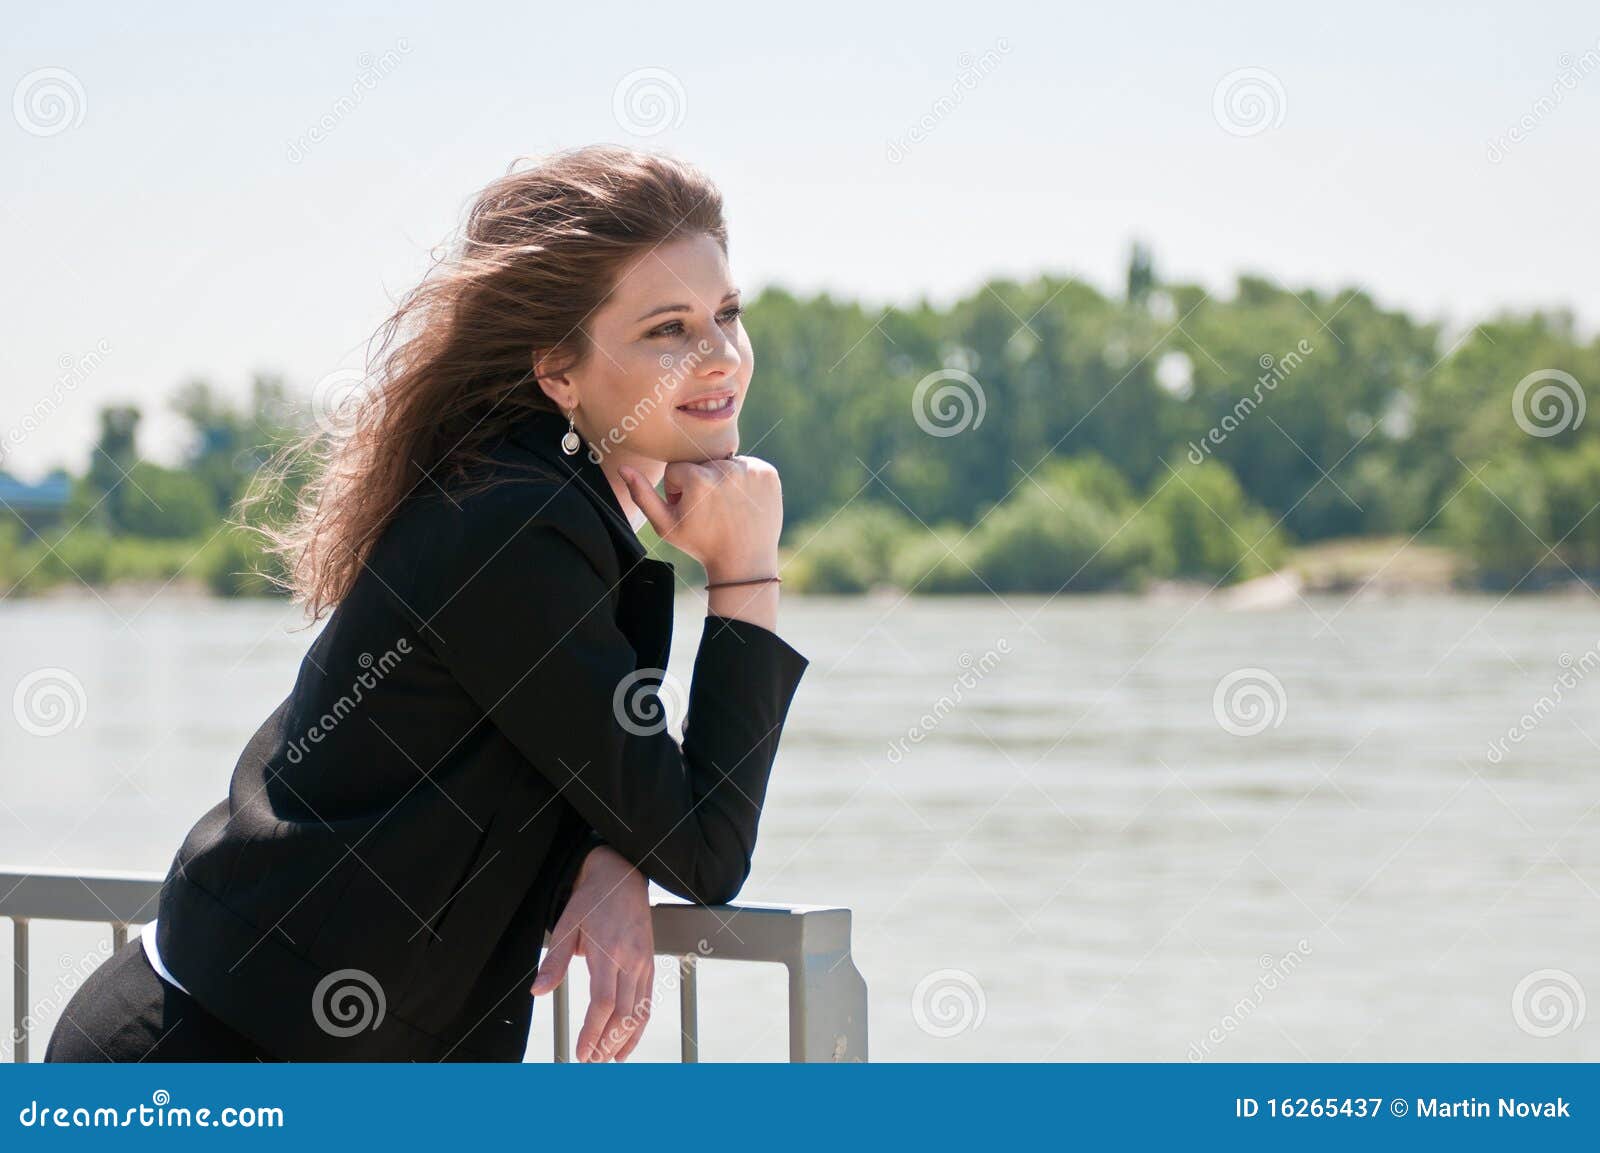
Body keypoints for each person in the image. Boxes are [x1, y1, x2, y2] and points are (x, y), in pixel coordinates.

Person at [45, 145, 809, 1063]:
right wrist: (745, 570)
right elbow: (710, 849)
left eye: (727, 312)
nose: (721, 353)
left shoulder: (532, 498)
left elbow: (530, 759)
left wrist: (610, 856)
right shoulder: (517, 523)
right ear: (559, 373)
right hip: (210, 1058)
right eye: (668, 329)